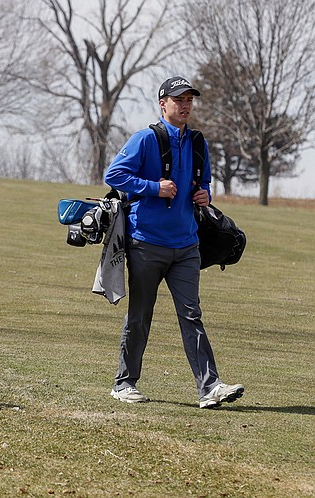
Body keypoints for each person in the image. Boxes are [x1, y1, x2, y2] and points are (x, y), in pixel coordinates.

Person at [104, 76, 244, 409]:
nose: (185, 105)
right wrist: (155, 187)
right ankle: (124, 383)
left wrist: (204, 194)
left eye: (189, 100)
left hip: (186, 245)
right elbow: (115, 174)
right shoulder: (144, 140)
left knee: (191, 314)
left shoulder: (198, 142)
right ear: (163, 103)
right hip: (145, 243)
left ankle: (209, 387)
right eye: (178, 100)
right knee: (140, 315)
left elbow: (205, 181)